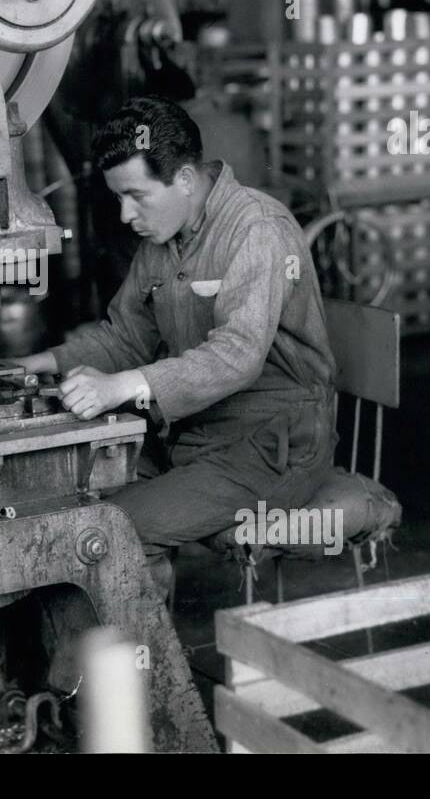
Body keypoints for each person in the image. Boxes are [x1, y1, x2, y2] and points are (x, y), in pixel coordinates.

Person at [18, 97, 338, 596]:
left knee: (115, 532)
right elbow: (126, 335)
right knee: (67, 498)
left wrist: (121, 385)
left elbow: (237, 354)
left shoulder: (257, 229)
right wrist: (38, 364)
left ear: (185, 180)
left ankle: (152, 674)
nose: (125, 214)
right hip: (198, 435)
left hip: (275, 443)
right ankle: (90, 669)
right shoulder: (164, 237)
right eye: (118, 198)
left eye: (136, 196)